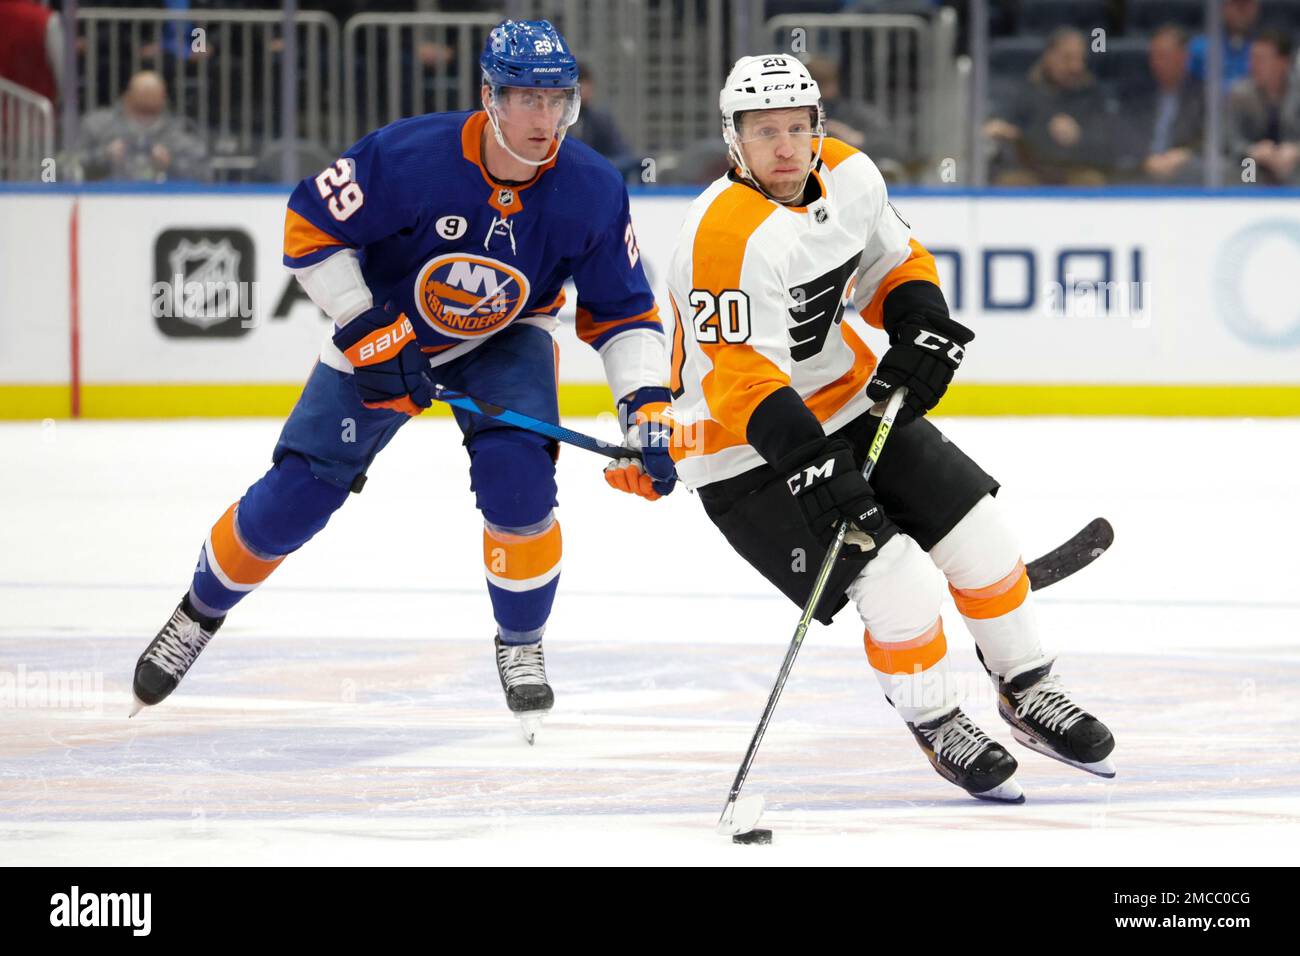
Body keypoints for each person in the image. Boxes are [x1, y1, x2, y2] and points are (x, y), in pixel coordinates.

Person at [130, 20, 675, 743]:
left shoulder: (592, 190)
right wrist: (363, 326)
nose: (546, 122)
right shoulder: (409, 155)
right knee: (294, 501)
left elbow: (624, 311)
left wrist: (646, 409)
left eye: (558, 102)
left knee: (520, 488)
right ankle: (197, 615)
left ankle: (520, 644)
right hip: (388, 328)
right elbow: (308, 226)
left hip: (507, 339)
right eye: (527, 100)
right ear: (489, 96)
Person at [661, 54, 1115, 801]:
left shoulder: (851, 177)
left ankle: (1027, 688)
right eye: (763, 130)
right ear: (732, 137)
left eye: (797, 128)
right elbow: (743, 383)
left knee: (981, 536)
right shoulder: (721, 237)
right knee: (897, 579)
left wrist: (921, 329)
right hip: (740, 449)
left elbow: (894, 265)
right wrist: (810, 464)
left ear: (817, 128)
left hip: (840, 403)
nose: (783, 146)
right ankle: (937, 721)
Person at [983, 28, 1116, 186]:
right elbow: (1004, 127)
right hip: (1031, 171)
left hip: (1077, 170)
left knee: (1092, 181)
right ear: (1049, 57)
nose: (1075, 67)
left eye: (1080, 59)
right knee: (1009, 183)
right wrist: (1010, 132)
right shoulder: (1026, 92)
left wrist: (1079, 136)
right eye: (1067, 58)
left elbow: (1109, 144)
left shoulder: (1093, 95)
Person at [78, 70, 210, 183]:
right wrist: (104, 157)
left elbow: (204, 173)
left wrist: (171, 164)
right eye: (144, 92)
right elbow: (70, 164)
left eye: (153, 93)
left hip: (167, 202)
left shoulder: (182, 130)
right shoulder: (97, 125)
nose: (148, 97)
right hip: (105, 200)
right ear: (127, 95)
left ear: (164, 97)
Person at [1118, 25, 1205, 185]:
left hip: (1183, 171)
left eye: (1163, 56)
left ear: (1183, 57)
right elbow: (1124, 132)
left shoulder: (1202, 95)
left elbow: (1210, 137)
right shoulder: (1135, 92)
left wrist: (1184, 154)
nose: (1156, 62)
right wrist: (1146, 159)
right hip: (1143, 167)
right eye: (1153, 56)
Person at [1227, 31, 1300, 185]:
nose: (1253, 64)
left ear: (1283, 62)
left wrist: (1296, 150)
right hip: (1253, 165)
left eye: (1261, 59)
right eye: (1252, 58)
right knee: (1244, 170)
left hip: (1293, 165)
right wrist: (1253, 150)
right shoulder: (1239, 95)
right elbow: (1229, 140)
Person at [1189, 0, 1259, 92]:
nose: (1241, 11)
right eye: (1236, 5)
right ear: (1223, 7)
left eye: (1246, 5)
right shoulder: (1199, 48)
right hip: (1207, 103)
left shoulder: (1265, 51)